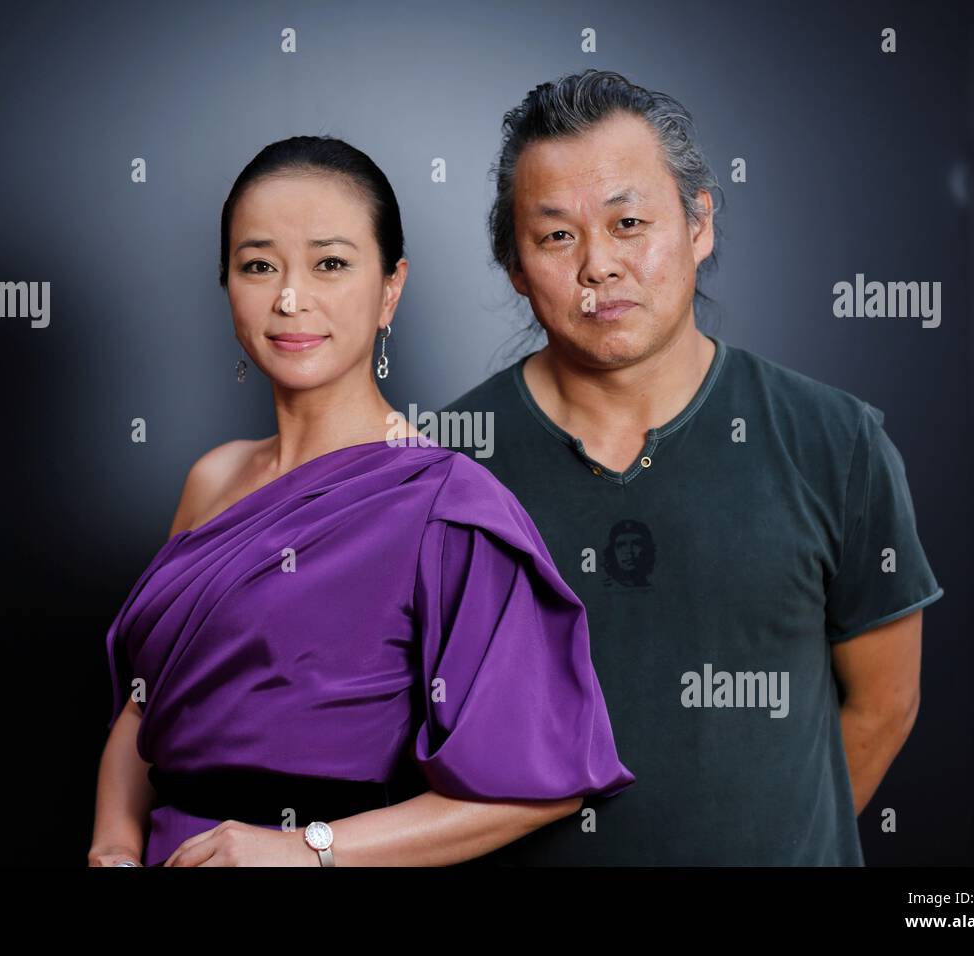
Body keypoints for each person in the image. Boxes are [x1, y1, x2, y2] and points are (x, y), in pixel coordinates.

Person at [88, 135, 634, 867]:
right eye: (258, 266)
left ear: (390, 289)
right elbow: (145, 705)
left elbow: (541, 786)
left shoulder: (446, 504)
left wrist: (304, 848)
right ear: (227, 284)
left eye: (330, 264)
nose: (290, 298)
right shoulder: (211, 479)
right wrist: (115, 847)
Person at [441, 70, 943, 865]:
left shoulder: (833, 442)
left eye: (629, 222)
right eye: (557, 237)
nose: (599, 265)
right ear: (514, 265)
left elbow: (885, 705)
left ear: (699, 223)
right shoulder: (446, 467)